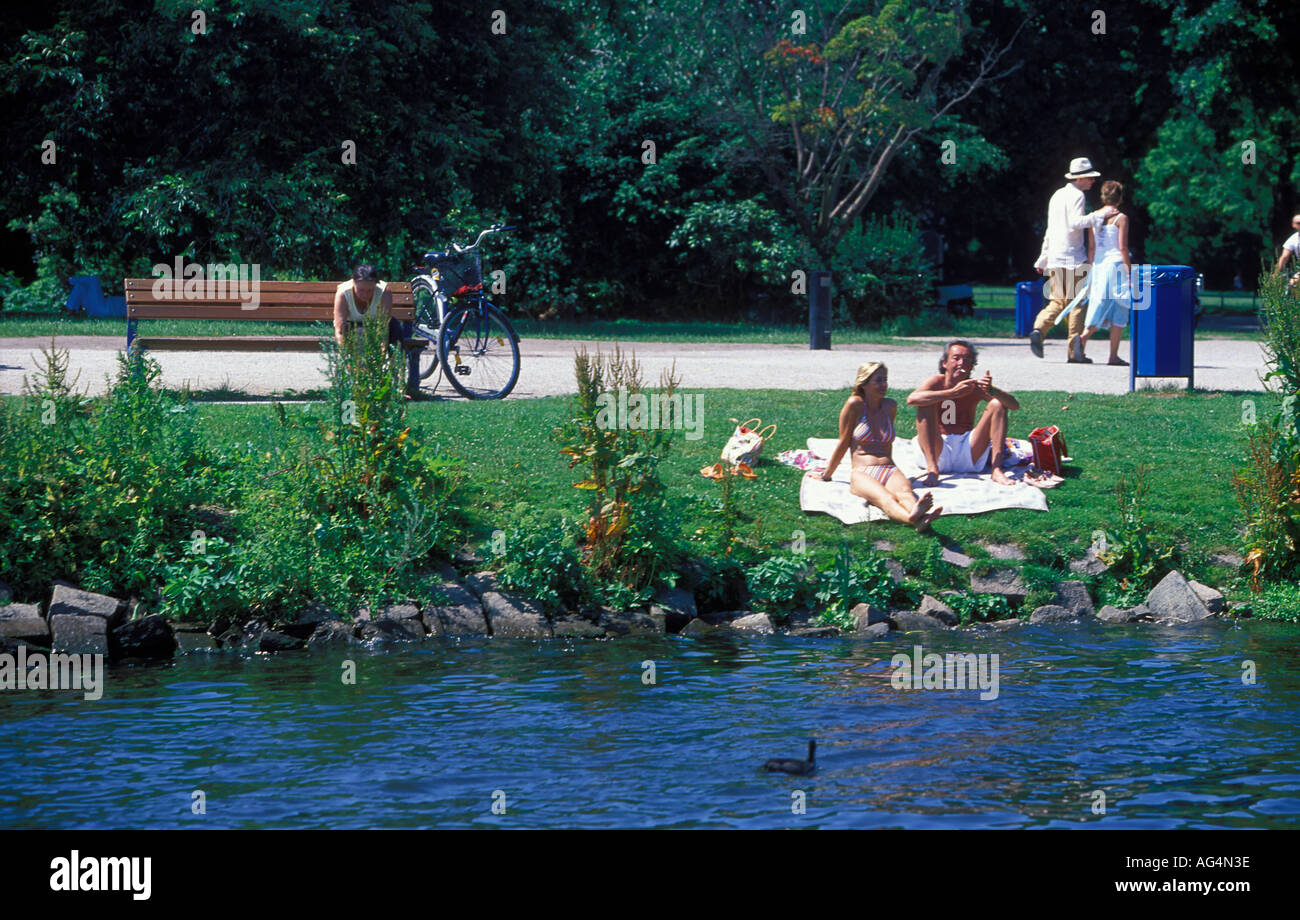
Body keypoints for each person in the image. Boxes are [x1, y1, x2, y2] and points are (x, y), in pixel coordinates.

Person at [810, 362, 943, 531]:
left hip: (889, 468)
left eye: (885, 380)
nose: (883, 385)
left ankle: (918, 516)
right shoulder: (855, 404)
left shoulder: (890, 406)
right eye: (878, 380)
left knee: (906, 494)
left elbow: (887, 445)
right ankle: (914, 518)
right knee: (886, 498)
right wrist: (826, 475)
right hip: (862, 472)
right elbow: (843, 443)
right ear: (864, 384)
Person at [1031, 157, 1119, 363]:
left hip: (1056, 256)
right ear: (1080, 179)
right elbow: (1075, 223)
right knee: (1077, 304)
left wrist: (1043, 258)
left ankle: (1039, 328)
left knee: (1058, 301)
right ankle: (1073, 351)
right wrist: (1100, 214)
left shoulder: (1057, 195)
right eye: (1089, 178)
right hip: (1072, 257)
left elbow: (1051, 229)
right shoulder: (1077, 196)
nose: (1092, 181)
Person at [907, 340, 1020, 487]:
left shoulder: (975, 386)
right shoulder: (936, 382)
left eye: (967, 360)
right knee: (924, 404)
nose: (961, 363)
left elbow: (1014, 405)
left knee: (998, 404)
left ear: (972, 366)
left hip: (968, 450)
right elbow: (911, 399)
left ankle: (996, 469)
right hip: (936, 449)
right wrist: (951, 393)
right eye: (956, 358)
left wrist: (992, 390)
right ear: (944, 364)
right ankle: (932, 469)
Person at [334, 264, 419, 398]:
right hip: (353, 327)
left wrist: (380, 357)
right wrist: (346, 356)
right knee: (358, 334)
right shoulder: (343, 293)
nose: (365, 294)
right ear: (353, 283)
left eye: (370, 290)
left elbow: (383, 328)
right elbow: (339, 330)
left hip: (380, 327)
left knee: (395, 329)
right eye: (361, 290)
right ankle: (362, 384)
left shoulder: (384, 292)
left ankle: (395, 386)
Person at [1076, 180, 1132, 365]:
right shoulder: (1121, 218)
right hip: (1116, 265)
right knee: (1120, 308)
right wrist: (1129, 272)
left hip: (1099, 266)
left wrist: (1091, 268)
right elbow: (1123, 247)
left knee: (1099, 303)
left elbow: (1091, 248)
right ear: (1120, 197)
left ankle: (1084, 339)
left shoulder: (1094, 218)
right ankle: (1110, 353)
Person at [1275, 214, 1300, 290]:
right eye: (1299, 223)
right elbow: (1284, 257)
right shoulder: (1293, 239)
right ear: (1293, 225)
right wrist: (1276, 274)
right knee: (1293, 283)